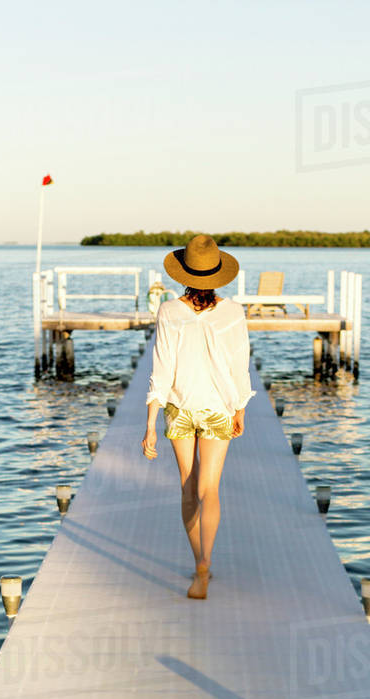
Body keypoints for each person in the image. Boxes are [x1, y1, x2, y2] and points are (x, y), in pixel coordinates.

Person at [142, 234, 255, 600]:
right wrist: (240, 407)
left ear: (184, 273)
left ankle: (198, 566)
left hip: (178, 409)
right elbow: (240, 365)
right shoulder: (234, 312)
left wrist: (149, 426)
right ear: (218, 273)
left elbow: (161, 370)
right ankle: (205, 564)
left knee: (188, 487)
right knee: (210, 489)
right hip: (218, 409)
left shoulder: (169, 311)